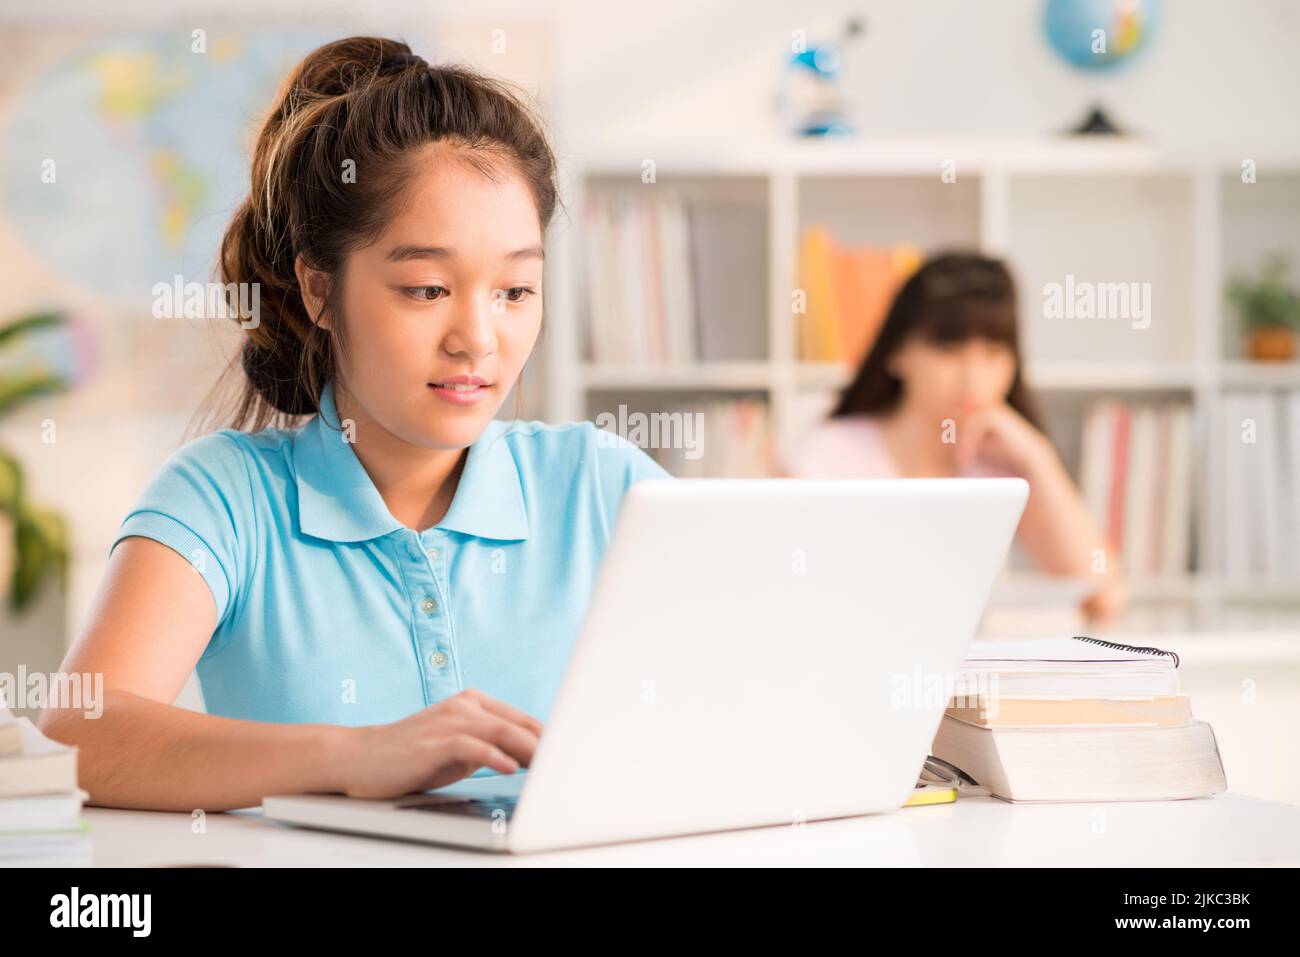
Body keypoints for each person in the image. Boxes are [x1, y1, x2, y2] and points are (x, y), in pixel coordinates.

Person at [38, 37, 669, 812]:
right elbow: (77, 730)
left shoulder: (606, 485)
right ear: (319, 289)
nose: (478, 337)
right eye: (427, 288)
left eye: (515, 289)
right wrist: (359, 754)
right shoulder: (228, 497)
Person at [785, 252, 1124, 623]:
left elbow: (1103, 596)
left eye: (994, 352)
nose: (973, 378)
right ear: (897, 352)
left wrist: (1038, 457)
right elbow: (780, 582)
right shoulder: (829, 454)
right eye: (949, 349)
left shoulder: (1001, 466)